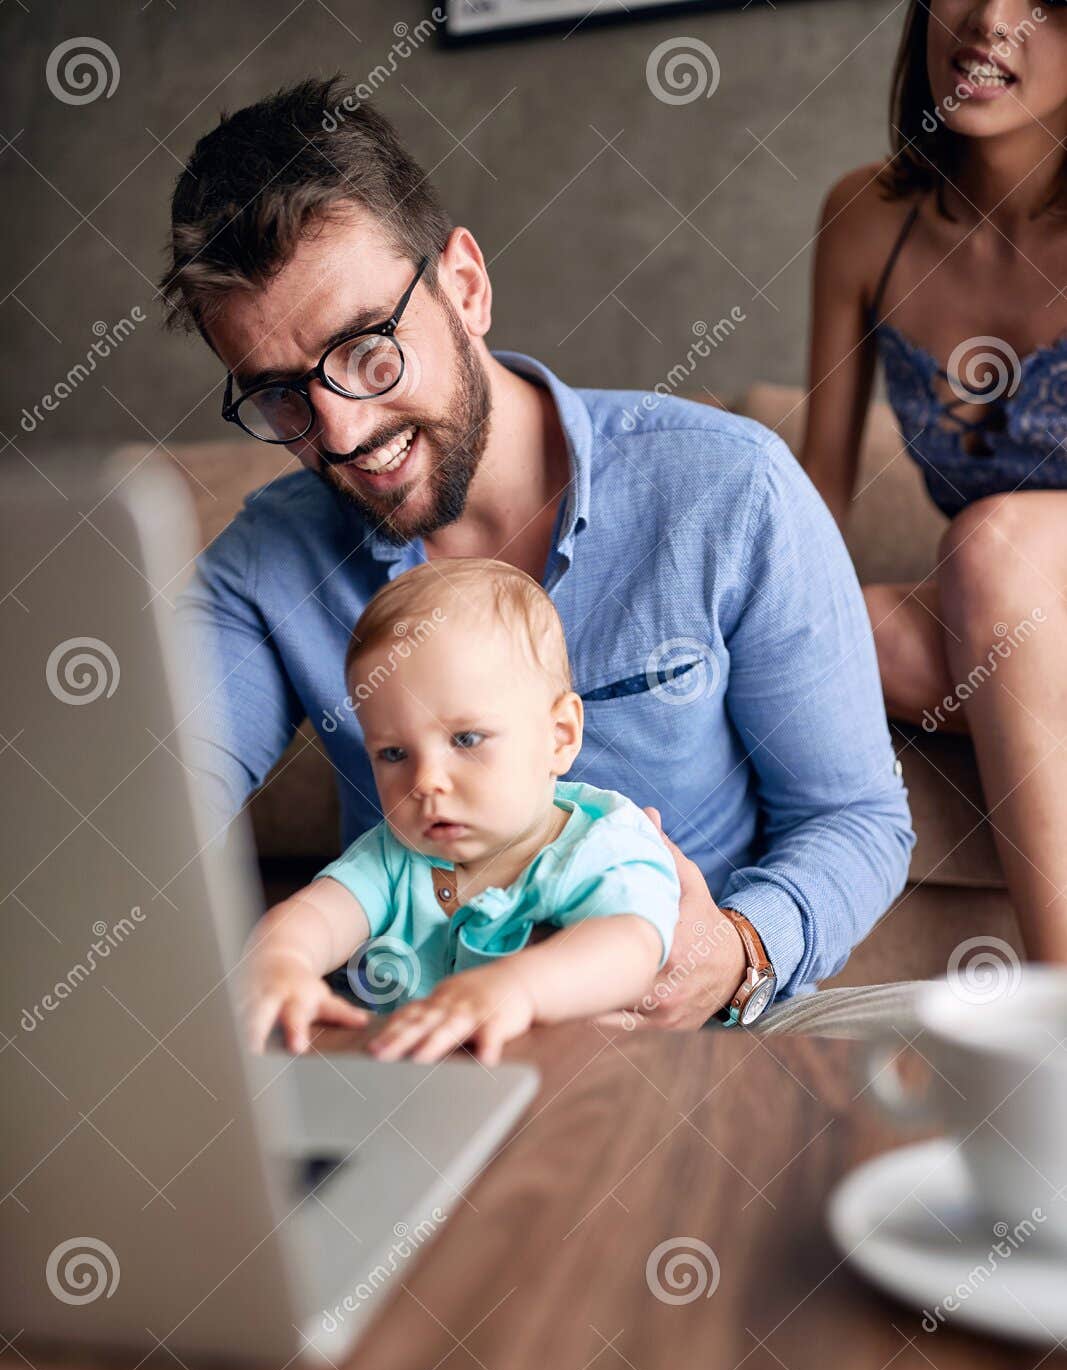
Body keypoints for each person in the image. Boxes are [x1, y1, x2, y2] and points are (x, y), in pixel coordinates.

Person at [163, 76, 914, 1040]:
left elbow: (855, 818)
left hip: (703, 1036)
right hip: (422, 1051)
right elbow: (145, 806)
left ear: (464, 286)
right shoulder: (268, 562)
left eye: (366, 351)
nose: (342, 433)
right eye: (278, 396)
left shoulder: (729, 489)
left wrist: (731, 953)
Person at [802, 0, 1067, 965]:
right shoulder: (864, 220)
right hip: (1012, 624)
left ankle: (1055, 1003)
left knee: (991, 540)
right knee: (833, 634)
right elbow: (814, 500)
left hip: (1007, 574)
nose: (988, 20)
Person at [240, 559, 681, 1064]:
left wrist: (517, 988)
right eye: (393, 754)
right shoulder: (395, 855)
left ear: (560, 737)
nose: (426, 782)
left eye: (466, 739)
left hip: (578, 1087)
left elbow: (630, 946)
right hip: (427, 1087)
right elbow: (315, 915)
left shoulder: (602, 842)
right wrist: (281, 962)